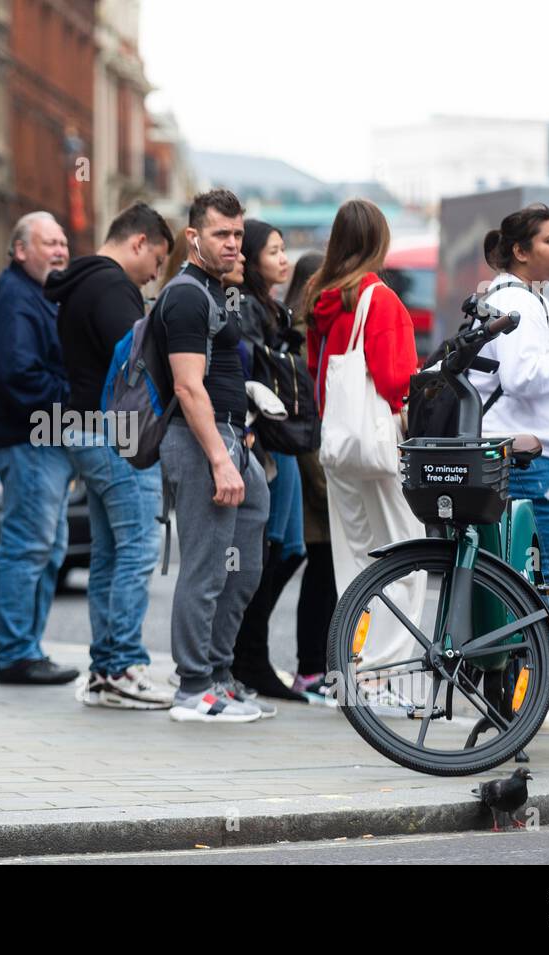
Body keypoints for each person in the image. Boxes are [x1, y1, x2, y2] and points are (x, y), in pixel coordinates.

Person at [45, 202, 174, 709]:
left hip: (81, 429)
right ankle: (121, 666)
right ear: (138, 242)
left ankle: (105, 669)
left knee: (109, 553)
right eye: (157, 260)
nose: (154, 274)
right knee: (139, 547)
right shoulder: (114, 286)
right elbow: (136, 365)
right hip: (116, 434)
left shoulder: (78, 283)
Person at [471, 203, 549, 733]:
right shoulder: (517, 301)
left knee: (524, 583)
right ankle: (525, 701)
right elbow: (521, 377)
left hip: (532, 463)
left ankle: (516, 699)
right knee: (545, 584)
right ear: (521, 252)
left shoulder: (524, 300)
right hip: (528, 467)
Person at [155, 189, 271, 722]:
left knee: (242, 569)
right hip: (203, 443)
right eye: (221, 234)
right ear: (193, 236)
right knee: (204, 569)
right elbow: (187, 387)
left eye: (236, 234)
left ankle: (219, 675)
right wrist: (220, 459)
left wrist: (238, 441)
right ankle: (193, 688)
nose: (232, 243)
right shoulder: (184, 295)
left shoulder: (214, 290)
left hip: (231, 438)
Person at [305, 198, 423, 692]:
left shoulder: (320, 299)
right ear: (379, 241)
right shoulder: (380, 300)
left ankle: (351, 668)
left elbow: (316, 372)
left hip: (337, 445)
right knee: (407, 556)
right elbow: (398, 378)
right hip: (378, 445)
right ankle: (385, 673)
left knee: (352, 559)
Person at [0, 212, 79, 685]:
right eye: (48, 243)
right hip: (30, 437)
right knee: (29, 545)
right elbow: (19, 376)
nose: (60, 250)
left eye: (63, 243)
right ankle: (16, 653)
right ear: (20, 250)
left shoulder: (38, 294)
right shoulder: (15, 298)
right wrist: (75, 394)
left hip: (42, 437)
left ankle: (26, 649)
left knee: (48, 545)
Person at [229, 220, 309, 701]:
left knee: (290, 547)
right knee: (268, 547)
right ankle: (247, 657)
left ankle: (250, 654)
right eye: (274, 251)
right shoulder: (243, 308)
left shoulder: (272, 308)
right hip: (264, 439)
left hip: (285, 439)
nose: (283, 259)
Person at [284, 251, 335, 699]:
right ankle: (312, 668)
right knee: (320, 572)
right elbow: (310, 420)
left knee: (323, 572)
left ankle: (317, 667)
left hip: (311, 472)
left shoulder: (305, 332)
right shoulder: (303, 339)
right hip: (309, 473)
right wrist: (324, 488)